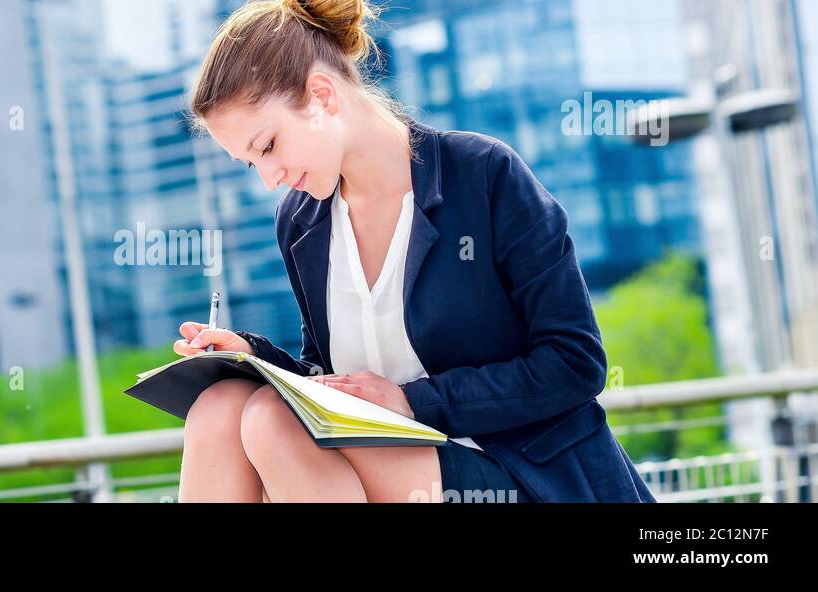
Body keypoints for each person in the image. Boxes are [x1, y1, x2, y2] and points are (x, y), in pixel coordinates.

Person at [175, 0, 655, 503]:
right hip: (390, 464)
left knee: (272, 421)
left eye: (269, 146)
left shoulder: (484, 175)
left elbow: (575, 363)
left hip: (518, 471)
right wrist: (254, 357)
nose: (271, 178)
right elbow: (331, 378)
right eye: (252, 164)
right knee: (220, 406)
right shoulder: (302, 223)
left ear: (321, 96)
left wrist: (412, 402)